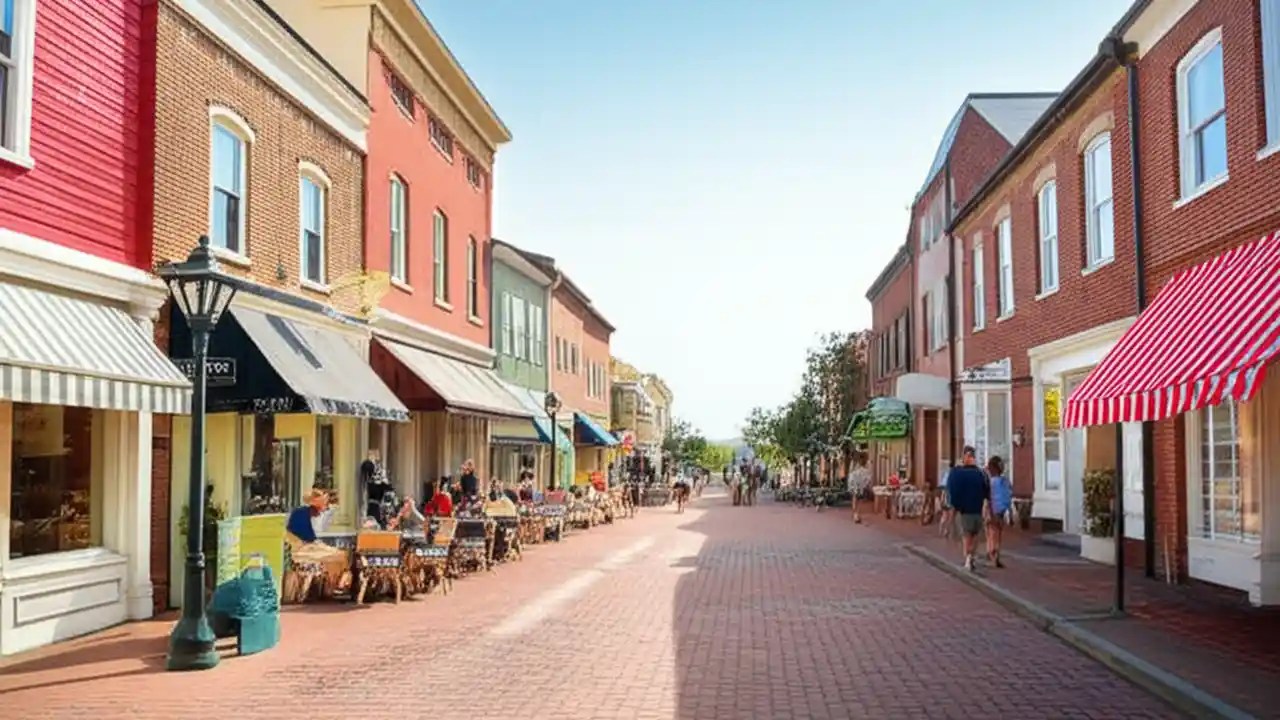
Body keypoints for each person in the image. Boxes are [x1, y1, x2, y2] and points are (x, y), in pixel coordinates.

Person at [284, 489, 351, 595]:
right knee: (339, 556)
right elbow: (306, 538)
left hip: (306, 546)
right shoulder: (301, 514)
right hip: (301, 549)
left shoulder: (306, 513)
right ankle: (336, 585)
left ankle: (335, 585)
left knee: (340, 555)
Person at [946, 446, 990, 572]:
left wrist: (955, 508)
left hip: (965, 510)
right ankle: (971, 556)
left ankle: (968, 558)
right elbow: (986, 491)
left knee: (967, 535)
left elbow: (953, 491)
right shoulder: (980, 474)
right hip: (977, 509)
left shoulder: (958, 473)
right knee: (974, 535)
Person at [985, 456, 1012, 568]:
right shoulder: (1005, 481)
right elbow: (1009, 496)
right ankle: (996, 555)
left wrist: (989, 512)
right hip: (1002, 511)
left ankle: (992, 554)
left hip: (992, 510)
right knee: (998, 534)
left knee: (990, 533)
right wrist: (1009, 512)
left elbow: (988, 498)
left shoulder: (990, 482)